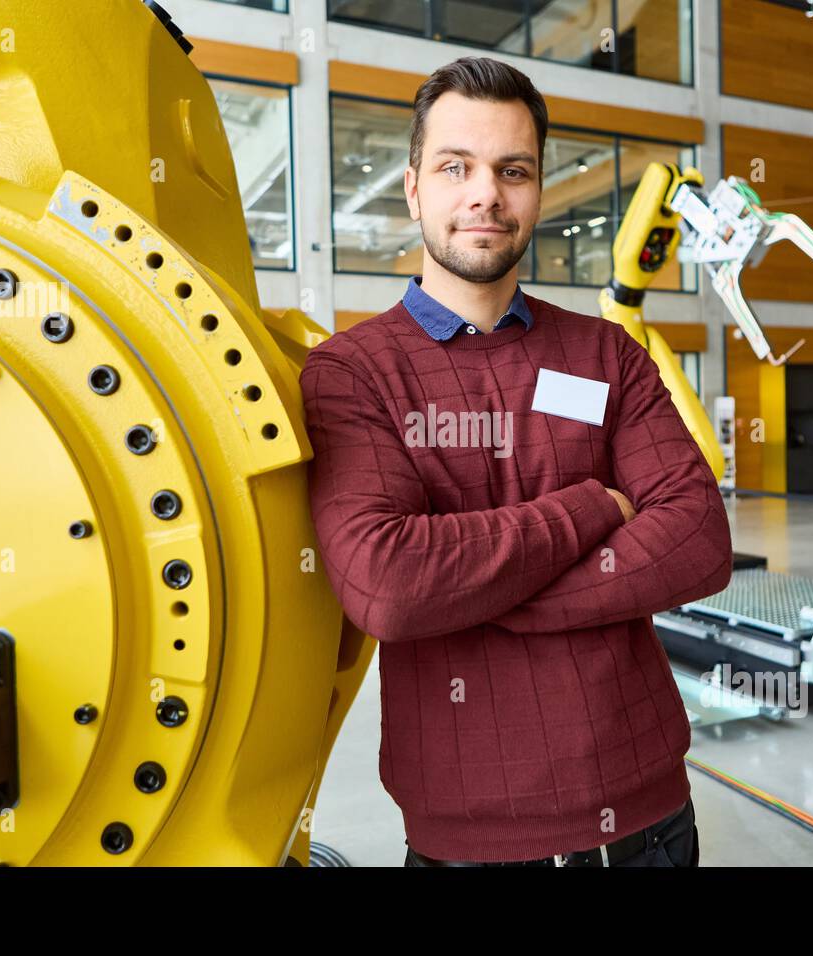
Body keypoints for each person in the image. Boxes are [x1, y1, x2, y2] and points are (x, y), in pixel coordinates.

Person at [299, 56, 732, 867]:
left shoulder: (606, 352)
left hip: (649, 823)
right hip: (468, 838)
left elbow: (699, 538)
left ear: (537, 193)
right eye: (455, 166)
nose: (485, 195)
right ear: (414, 188)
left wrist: (477, 592)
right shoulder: (352, 371)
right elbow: (386, 585)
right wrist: (597, 507)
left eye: (514, 170)